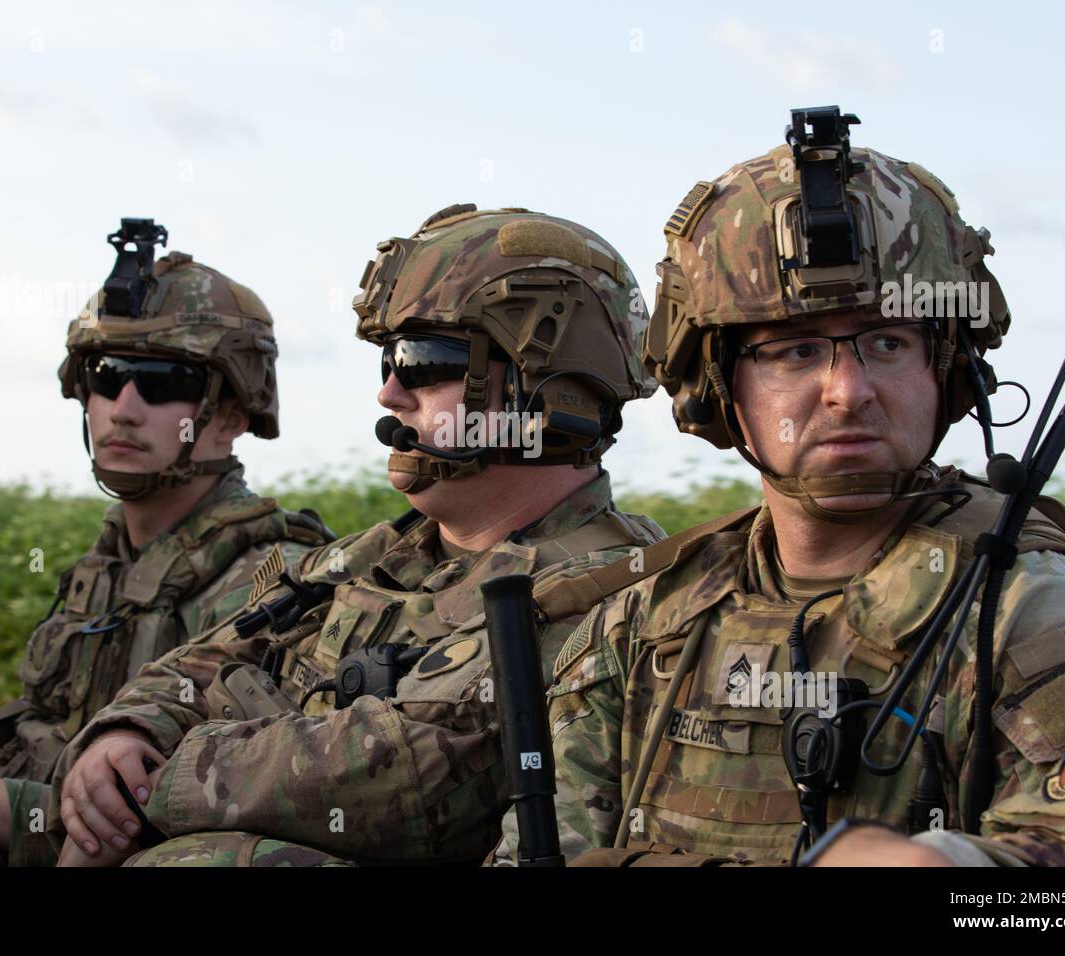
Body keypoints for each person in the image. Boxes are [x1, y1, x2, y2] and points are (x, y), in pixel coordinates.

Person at [494, 108, 1065, 867]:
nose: (848, 389)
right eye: (796, 351)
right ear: (715, 387)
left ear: (948, 369)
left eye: (888, 342)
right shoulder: (649, 619)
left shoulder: (1030, 614)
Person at [52, 204, 666, 866]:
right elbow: (199, 666)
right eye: (388, 362)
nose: (391, 394)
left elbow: (400, 774)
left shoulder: (614, 592)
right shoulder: (370, 559)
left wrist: (155, 785)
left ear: (546, 387)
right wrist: (127, 730)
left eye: (425, 362)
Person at [0, 219, 331, 866]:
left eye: (163, 384)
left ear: (232, 416)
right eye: (106, 375)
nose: (123, 407)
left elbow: (144, 824)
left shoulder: (271, 588)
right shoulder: (106, 571)